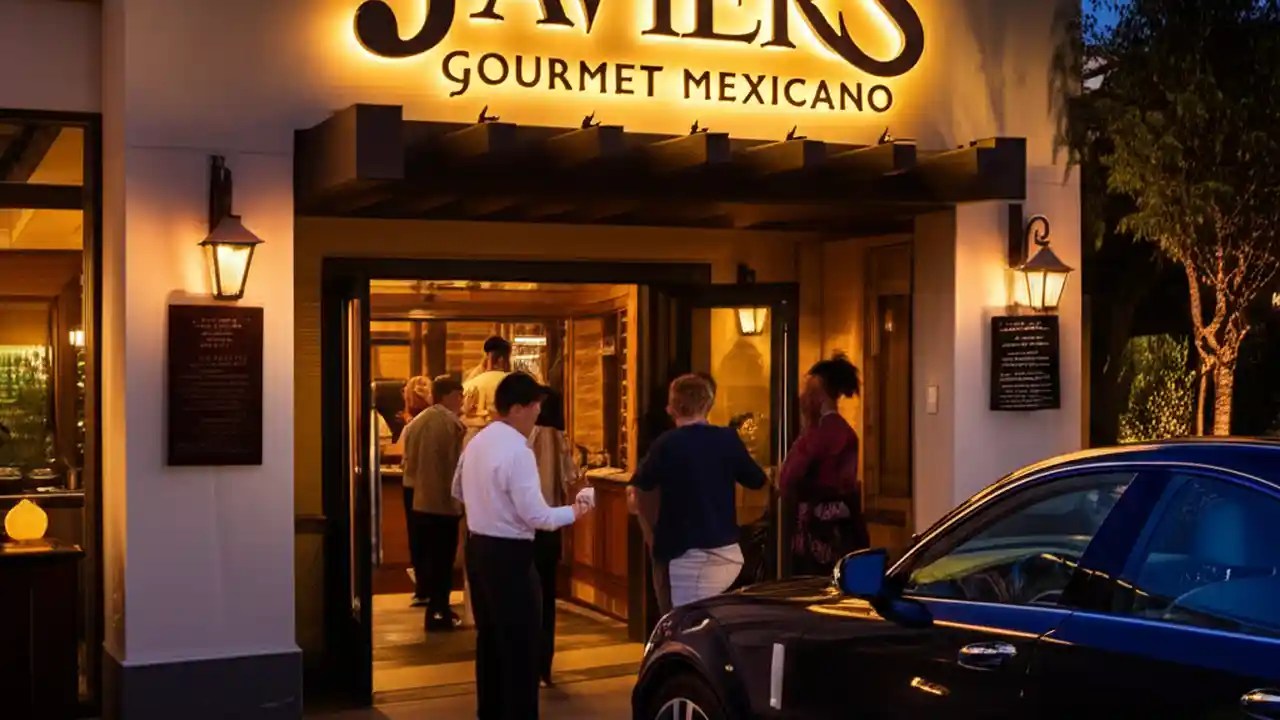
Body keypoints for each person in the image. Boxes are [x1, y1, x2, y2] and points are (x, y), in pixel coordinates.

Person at [451, 372, 592, 720]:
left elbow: (456, 491)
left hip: (478, 548)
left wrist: (486, 503)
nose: (536, 418)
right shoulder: (517, 451)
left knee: (490, 643)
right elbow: (538, 516)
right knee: (521, 647)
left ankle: (491, 712)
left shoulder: (476, 442)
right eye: (533, 409)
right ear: (516, 409)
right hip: (510, 556)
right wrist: (578, 509)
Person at [630, 374, 766, 608]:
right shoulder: (727, 439)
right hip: (726, 555)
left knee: (678, 627)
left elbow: (639, 490)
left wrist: (650, 535)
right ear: (708, 405)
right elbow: (756, 481)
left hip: (679, 555)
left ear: (672, 408)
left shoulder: (666, 444)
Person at [778, 353, 869, 577]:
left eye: (809, 391)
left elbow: (790, 476)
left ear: (819, 395)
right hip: (833, 525)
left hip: (819, 529)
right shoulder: (838, 430)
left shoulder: (822, 433)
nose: (803, 398)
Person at [403, 375, 467, 630]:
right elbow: (455, 465)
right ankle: (439, 611)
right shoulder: (451, 424)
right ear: (449, 395)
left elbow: (409, 461)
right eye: (459, 394)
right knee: (443, 560)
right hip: (443, 501)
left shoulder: (416, 423)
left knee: (429, 557)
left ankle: (436, 608)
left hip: (419, 499)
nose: (462, 399)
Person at [527, 390, 579, 687]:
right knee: (547, 597)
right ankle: (544, 665)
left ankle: (523, 663)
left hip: (522, 529)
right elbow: (570, 477)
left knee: (523, 598)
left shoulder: (522, 437)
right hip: (551, 527)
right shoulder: (559, 439)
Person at [397, 376, 433, 604]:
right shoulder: (444, 421)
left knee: (419, 537)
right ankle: (431, 587)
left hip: (413, 485)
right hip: (433, 487)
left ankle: (423, 587)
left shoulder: (414, 425)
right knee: (434, 538)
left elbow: (406, 459)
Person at [462, 336, 512, 444]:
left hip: (472, 443)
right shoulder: (513, 384)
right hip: (503, 441)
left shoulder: (469, 384)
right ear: (502, 360)